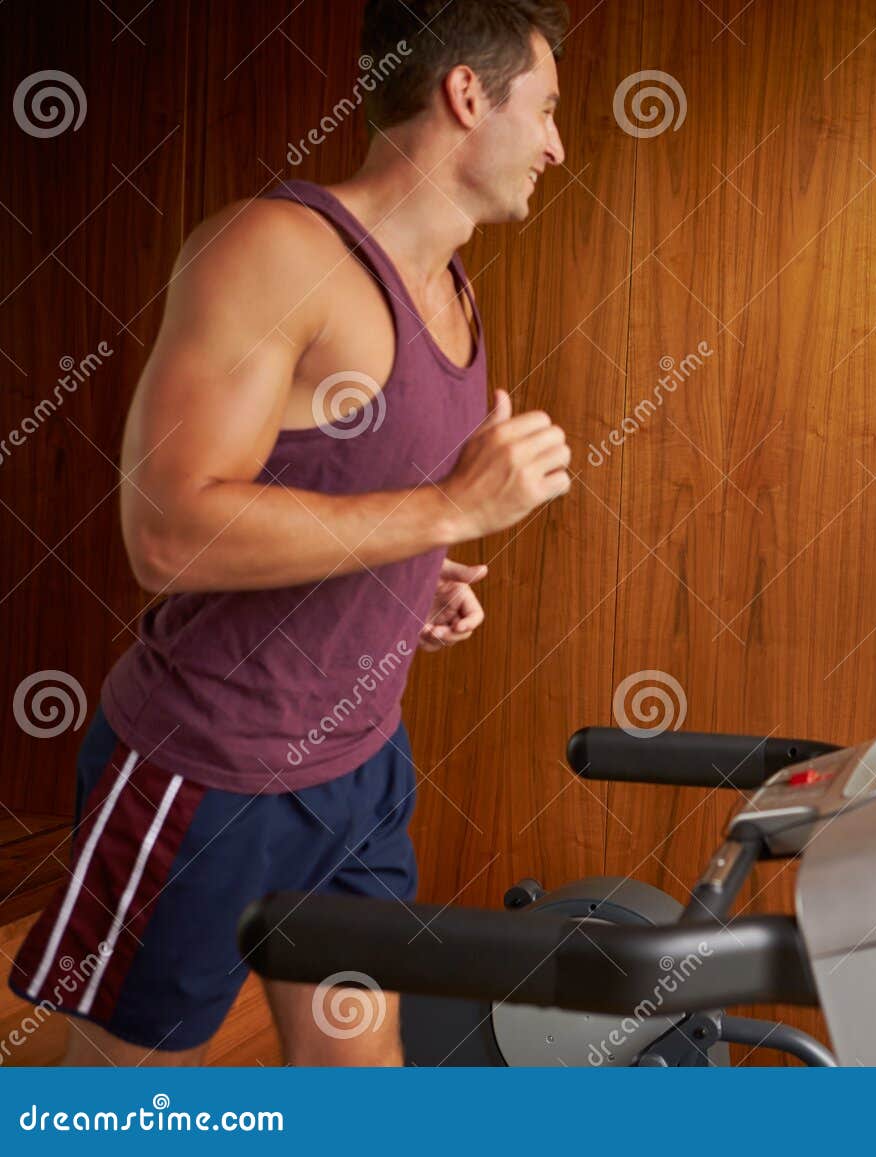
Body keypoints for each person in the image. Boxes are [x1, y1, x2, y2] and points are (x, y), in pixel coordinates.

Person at [7, 0, 574, 1067]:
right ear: (465, 95)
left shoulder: (452, 291)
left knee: (360, 1088)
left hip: (359, 765)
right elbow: (168, 529)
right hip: (208, 768)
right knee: (118, 1094)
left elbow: (326, 499)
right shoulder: (274, 250)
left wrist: (416, 576)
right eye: (544, 109)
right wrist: (448, 508)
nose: (557, 143)